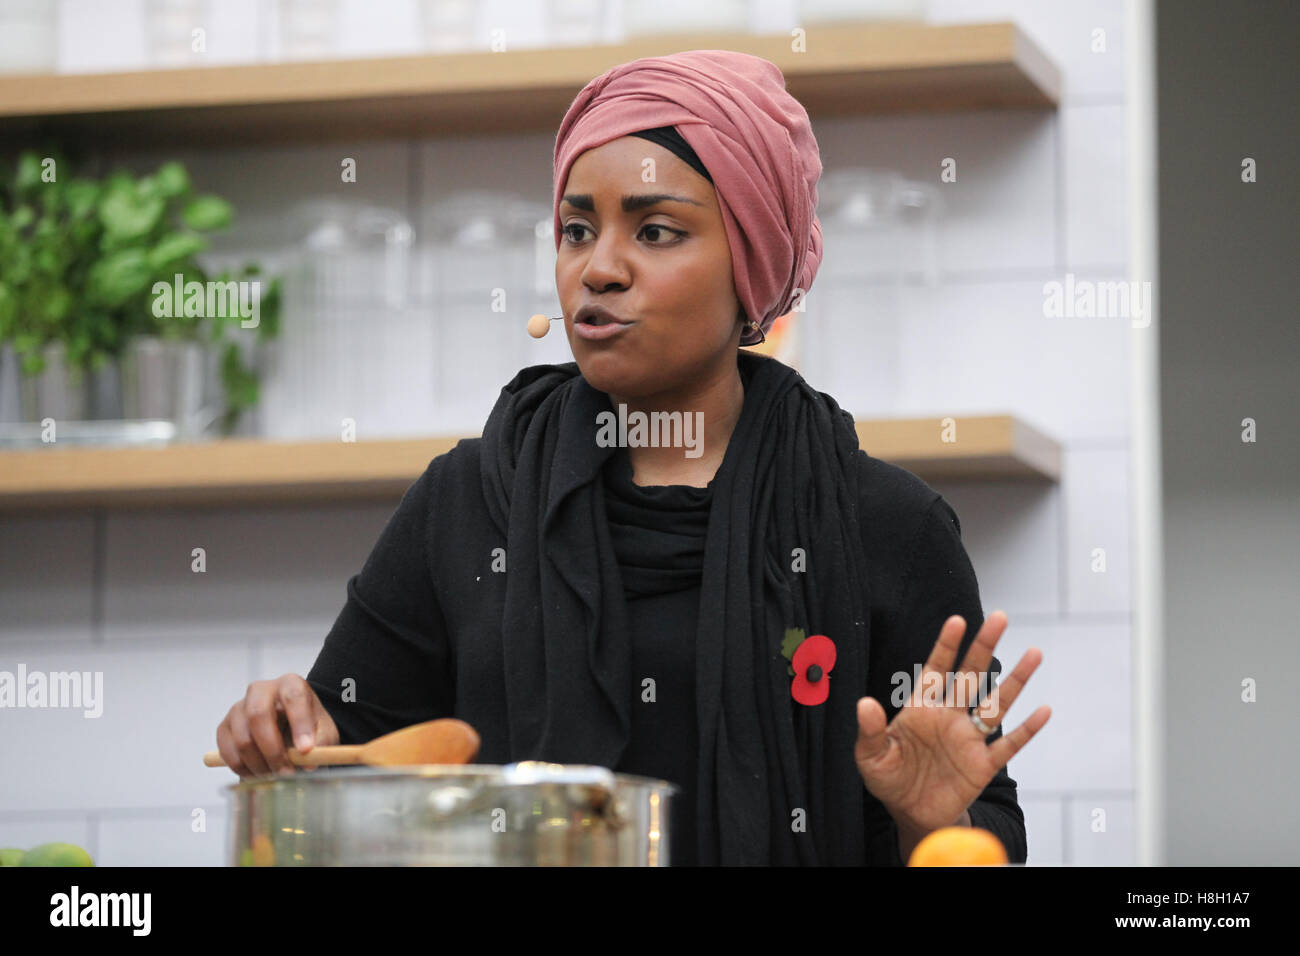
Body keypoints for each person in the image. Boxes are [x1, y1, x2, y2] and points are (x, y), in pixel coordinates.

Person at [215, 50, 1051, 866]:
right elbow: (339, 767)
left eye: (655, 230)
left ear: (752, 264)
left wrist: (927, 822)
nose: (598, 269)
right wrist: (289, 730)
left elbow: (980, 845)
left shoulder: (887, 528)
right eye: (576, 229)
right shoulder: (466, 503)